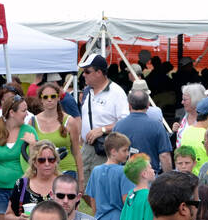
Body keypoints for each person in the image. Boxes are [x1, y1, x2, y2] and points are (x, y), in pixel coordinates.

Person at [4, 139, 62, 220]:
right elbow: (8, 216)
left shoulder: (64, 185)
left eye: (51, 160)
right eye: (42, 160)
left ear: (56, 161)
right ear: (34, 162)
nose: (47, 164)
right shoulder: (22, 184)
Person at [0, 92, 35, 220]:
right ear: (12, 113)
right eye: (24, 110)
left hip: (22, 189)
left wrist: (33, 144)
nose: (27, 114)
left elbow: (36, 162)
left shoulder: (29, 131)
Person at [76, 54, 129, 183]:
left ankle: (98, 204)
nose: (83, 75)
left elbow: (125, 121)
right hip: (87, 146)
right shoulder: (88, 91)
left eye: (87, 71)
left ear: (99, 72)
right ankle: (95, 204)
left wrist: (103, 129)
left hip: (104, 148)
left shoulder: (116, 92)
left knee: (101, 186)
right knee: (81, 184)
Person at [34, 79, 83, 184]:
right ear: (41, 100)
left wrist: (81, 178)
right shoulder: (33, 121)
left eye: (53, 96)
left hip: (67, 170)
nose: (49, 100)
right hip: (44, 171)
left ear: (58, 98)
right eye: (45, 97)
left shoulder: (69, 121)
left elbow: (77, 152)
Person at [113, 88, 172, 174]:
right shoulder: (157, 126)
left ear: (129, 105)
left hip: (125, 176)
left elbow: (113, 155)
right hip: (149, 176)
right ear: (148, 105)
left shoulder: (118, 126)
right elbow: (164, 156)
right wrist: (168, 178)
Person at [85, 133, 134, 220]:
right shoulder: (124, 171)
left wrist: (96, 218)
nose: (127, 153)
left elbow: (92, 199)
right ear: (113, 152)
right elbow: (127, 200)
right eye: (124, 150)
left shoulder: (96, 171)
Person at [117, 154, 155, 220]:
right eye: (151, 168)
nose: (153, 170)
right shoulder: (149, 196)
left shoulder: (130, 194)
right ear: (144, 174)